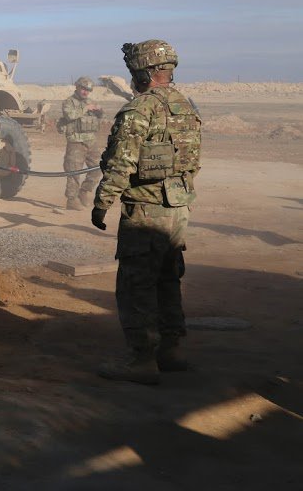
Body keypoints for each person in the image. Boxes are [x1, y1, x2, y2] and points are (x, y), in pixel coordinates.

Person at [92, 40, 201, 385]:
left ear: (142, 72)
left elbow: (122, 163)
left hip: (146, 210)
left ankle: (141, 359)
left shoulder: (140, 109)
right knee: (168, 279)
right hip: (178, 209)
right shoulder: (186, 106)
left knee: (135, 285)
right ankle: (172, 349)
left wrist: (102, 202)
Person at [59, 76, 104, 210]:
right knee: (73, 171)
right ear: (77, 87)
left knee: (98, 167)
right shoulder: (68, 102)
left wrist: (99, 110)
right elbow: (70, 115)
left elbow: (100, 117)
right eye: (83, 89)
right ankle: (72, 200)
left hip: (91, 141)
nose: (85, 92)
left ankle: (84, 191)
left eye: (88, 90)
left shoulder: (90, 101)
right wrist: (86, 108)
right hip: (76, 141)